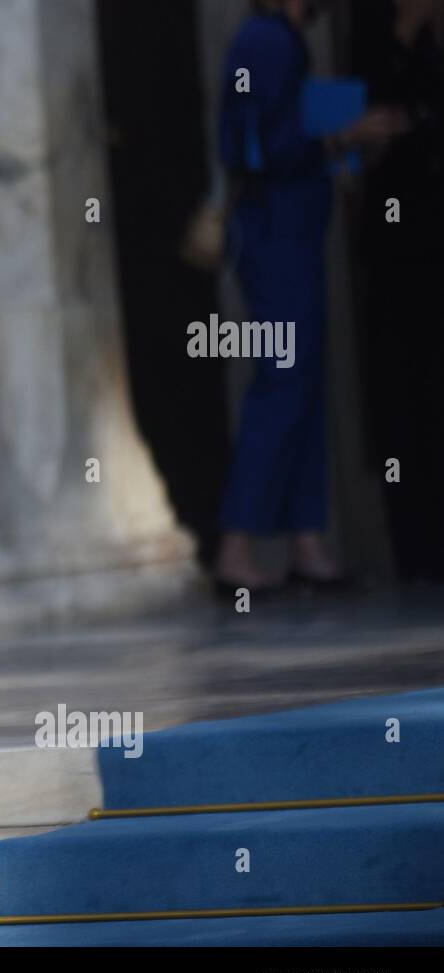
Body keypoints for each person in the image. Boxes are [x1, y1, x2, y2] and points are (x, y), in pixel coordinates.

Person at [213, 0, 407, 594]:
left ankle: (304, 540)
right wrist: (346, 132)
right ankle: (237, 547)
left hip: (293, 234)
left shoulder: (284, 42)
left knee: (305, 383)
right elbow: (255, 144)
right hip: (274, 238)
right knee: (284, 380)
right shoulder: (266, 42)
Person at [355, 0, 444, 583]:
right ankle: (415, 549)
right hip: (396, 249)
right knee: (403, 393)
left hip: (432, 238)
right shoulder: (373, 51)